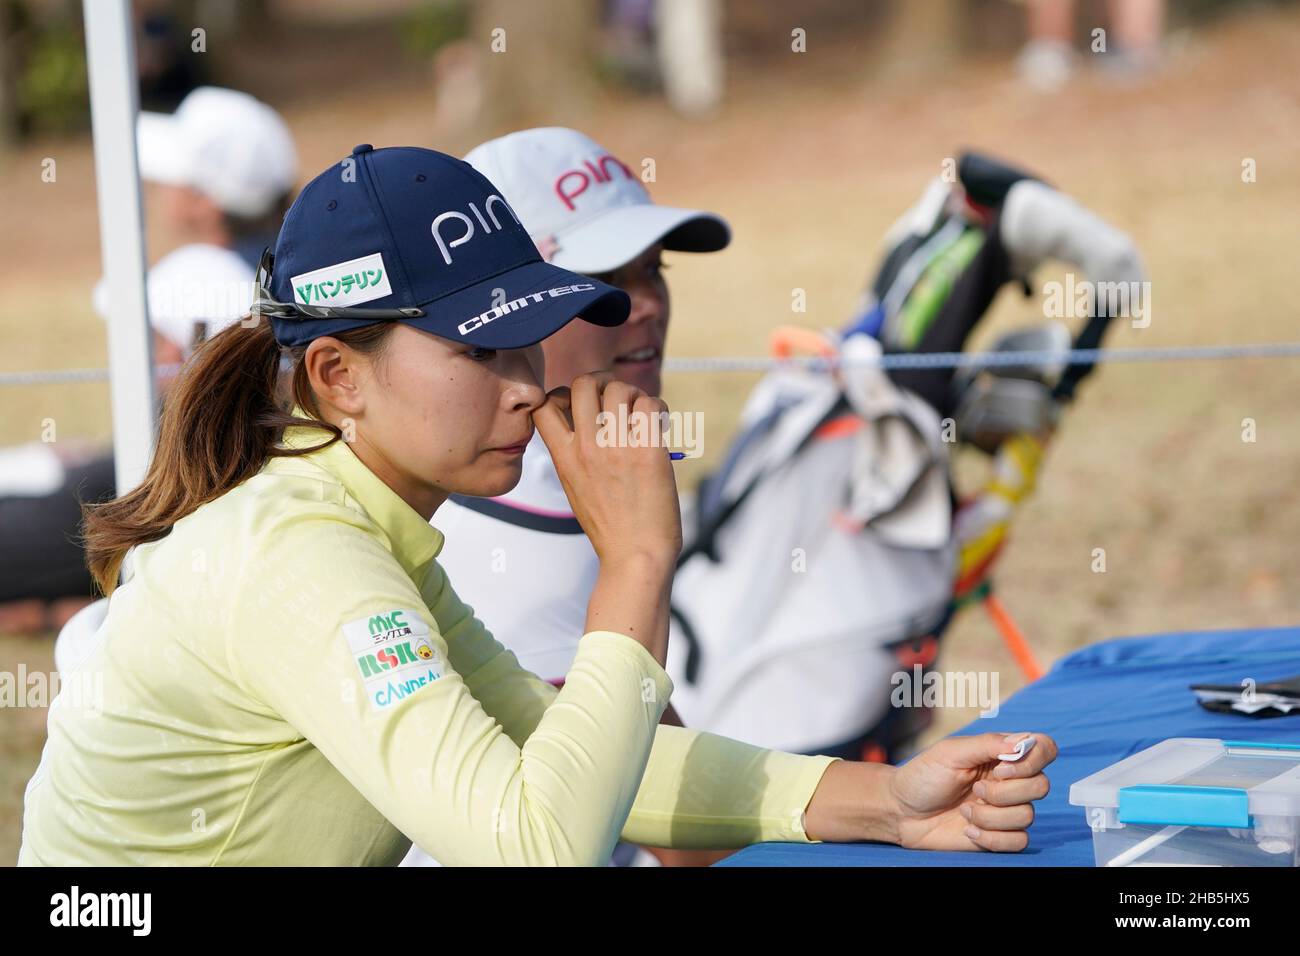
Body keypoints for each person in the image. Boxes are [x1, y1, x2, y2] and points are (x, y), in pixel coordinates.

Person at [20, 144, 1057, 865]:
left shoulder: (366, 527)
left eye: (525, 337)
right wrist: (637, 563)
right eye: (477, 347)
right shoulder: (301, 554)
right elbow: (540, 844)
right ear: (337, 374)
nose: (522, 381)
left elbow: (579, 758)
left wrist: (891, 802)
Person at [400, 126, 730, 867]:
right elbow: (682, 826)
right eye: (606, 281)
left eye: (655, 268)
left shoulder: (550, 469)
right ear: (508, 309)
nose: (645, 303)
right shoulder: (521, 526)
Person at [0, 87, 293, 632]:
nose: (159, 187)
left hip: (159, 487)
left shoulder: (201, 272)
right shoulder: (280, 263)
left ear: (206, 201)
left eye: (174, 177)